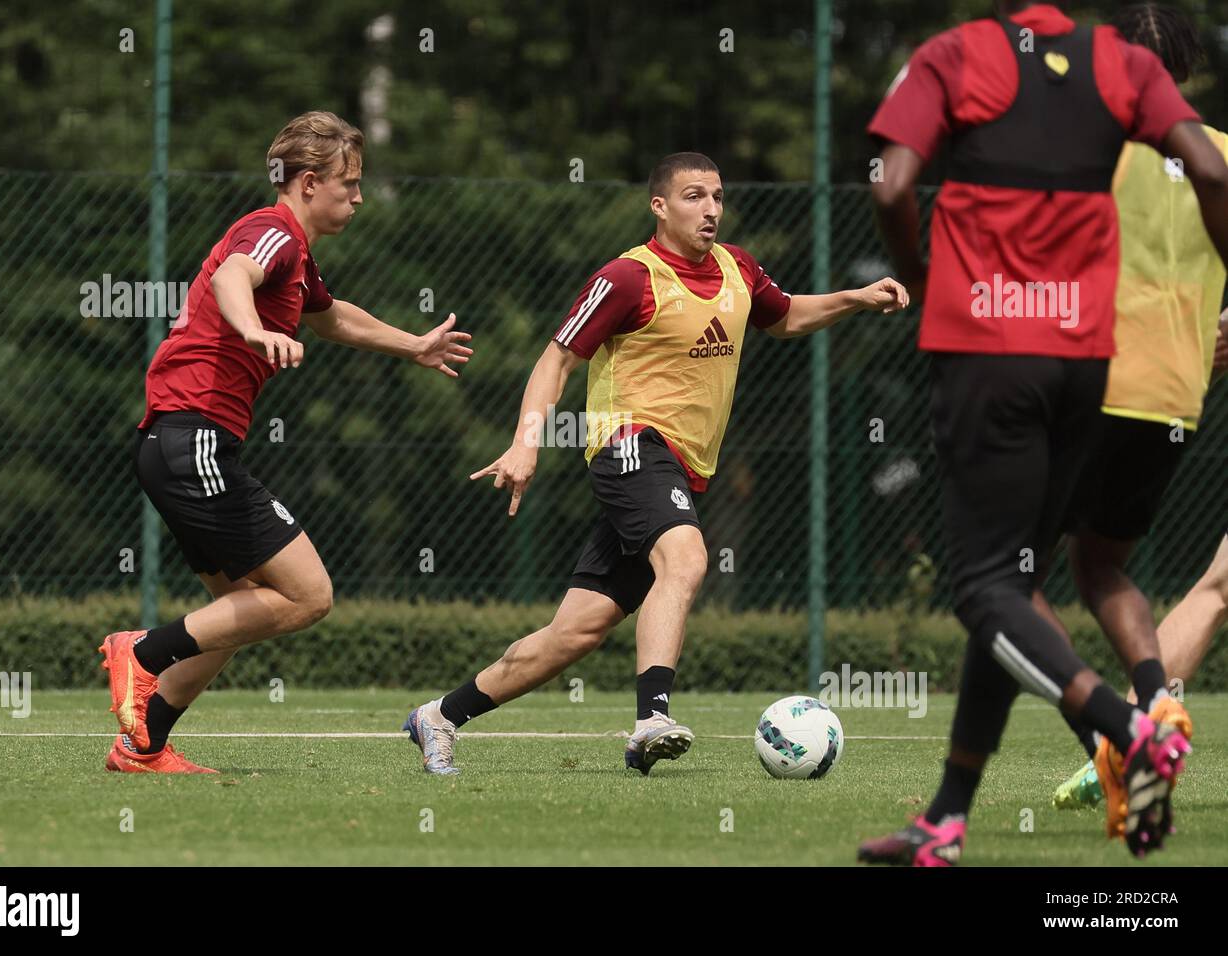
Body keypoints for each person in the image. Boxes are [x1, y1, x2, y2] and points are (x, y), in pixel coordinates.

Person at [860, 1, 1228, 865]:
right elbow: (1210, 175)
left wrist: (917, 267)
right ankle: (947, 817)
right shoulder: (1123, 76)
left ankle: (1128, 731)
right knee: (1035, 571)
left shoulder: (956, 54)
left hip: (991, 348)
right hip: (1102, 365)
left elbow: (889, 183)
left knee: (987, 587)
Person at [404, 152, 907, 775]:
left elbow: (784, 316)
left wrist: (854, 297)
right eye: (694, 196)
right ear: (659, 207)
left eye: (718, 195)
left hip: (683, 467)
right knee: (688, 557)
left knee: (576, 633)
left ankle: (439, 717)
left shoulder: (738, 268)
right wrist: (527, 440)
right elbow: (555, 361)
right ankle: (652, 719)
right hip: (629, 445)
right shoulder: (626, 278)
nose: (712, 209)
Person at [100, 111, 474, 773]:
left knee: (239, 609)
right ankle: (142, 655)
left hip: (177, 443)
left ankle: (143, 744)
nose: (356, 197)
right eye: (347, 183)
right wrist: (250, 330)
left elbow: (329, 317)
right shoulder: (271, 231)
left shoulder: (296, 254)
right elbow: (231, 278)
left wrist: (412, 343)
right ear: (307, 182)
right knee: (308, 596)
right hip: (194, 442)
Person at [1039, 3, 1228, 818]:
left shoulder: (1081, 142)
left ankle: (1109, 734)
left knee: (1000, 575)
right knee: (1100, 565)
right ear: (1188, 67)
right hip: (1174, 398)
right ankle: (1155, 708)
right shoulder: (1220, 154)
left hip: (1084, 384)